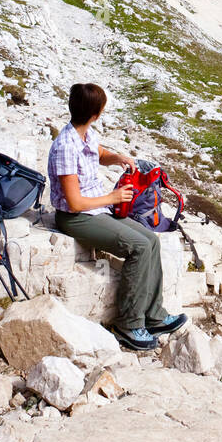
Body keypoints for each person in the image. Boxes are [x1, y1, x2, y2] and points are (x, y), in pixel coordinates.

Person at [48, 82, 186, 350]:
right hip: (76, 217)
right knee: (139, 246)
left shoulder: (85, 134)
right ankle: (129, 324)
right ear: (95, 113)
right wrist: (112, 198)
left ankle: (154, 315)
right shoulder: (65, 146)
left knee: (152, 240)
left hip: (98, 210)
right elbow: (74, 202)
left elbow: (98, 154)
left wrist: (117, 157)